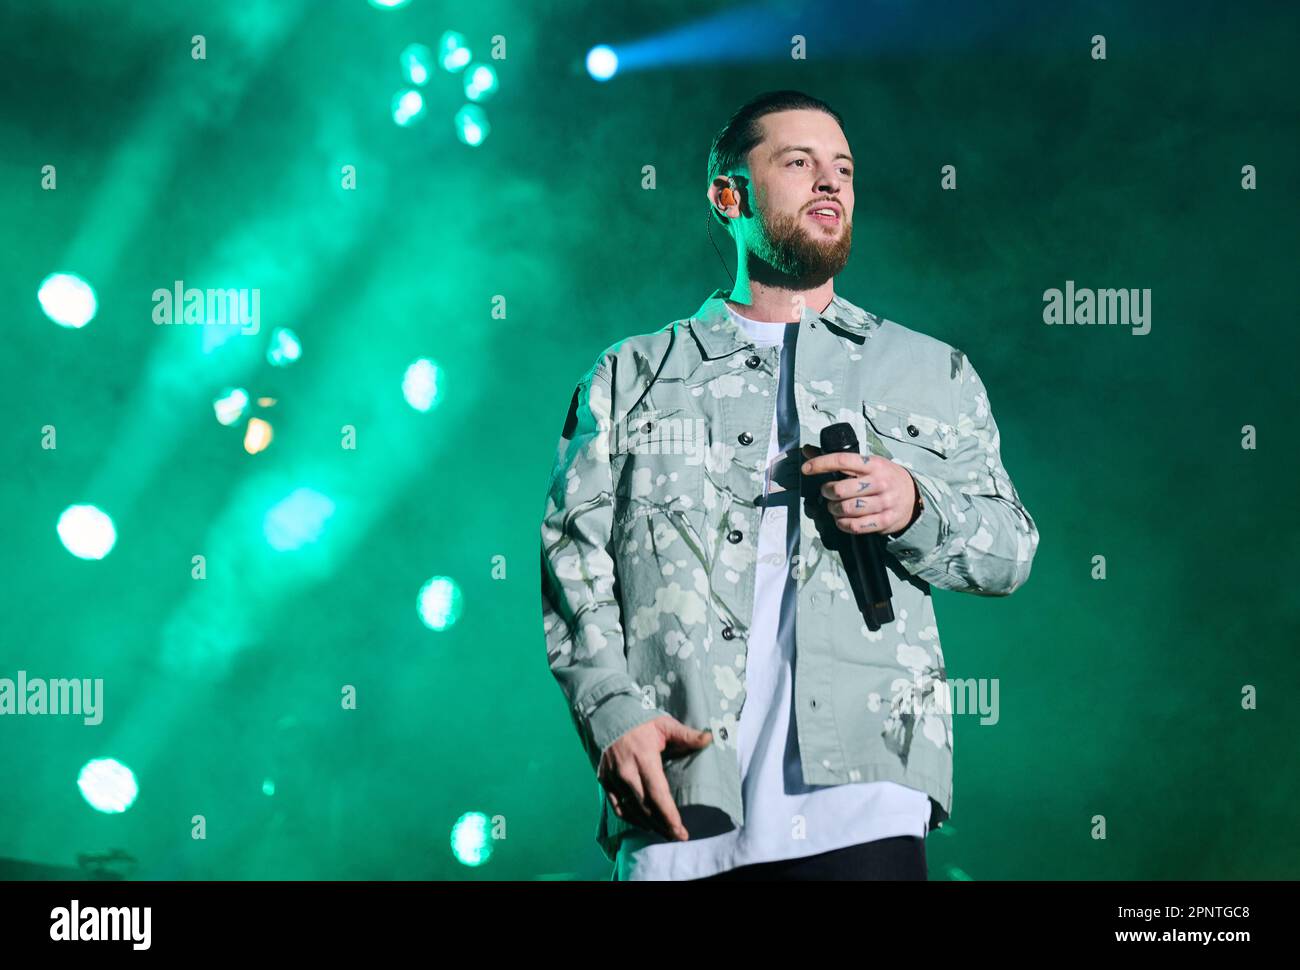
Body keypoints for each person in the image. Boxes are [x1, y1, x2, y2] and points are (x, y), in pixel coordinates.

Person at [539, 90, 1039, 881]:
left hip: (865, 801)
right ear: (727, 194)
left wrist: (913, 505)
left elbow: (1011, 549)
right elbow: (574, 564)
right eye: (798, 163)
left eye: (842, 169)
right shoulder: (631, 375)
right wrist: (612, 714)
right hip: (682, 808)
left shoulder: (928, 369)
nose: (830, 184)